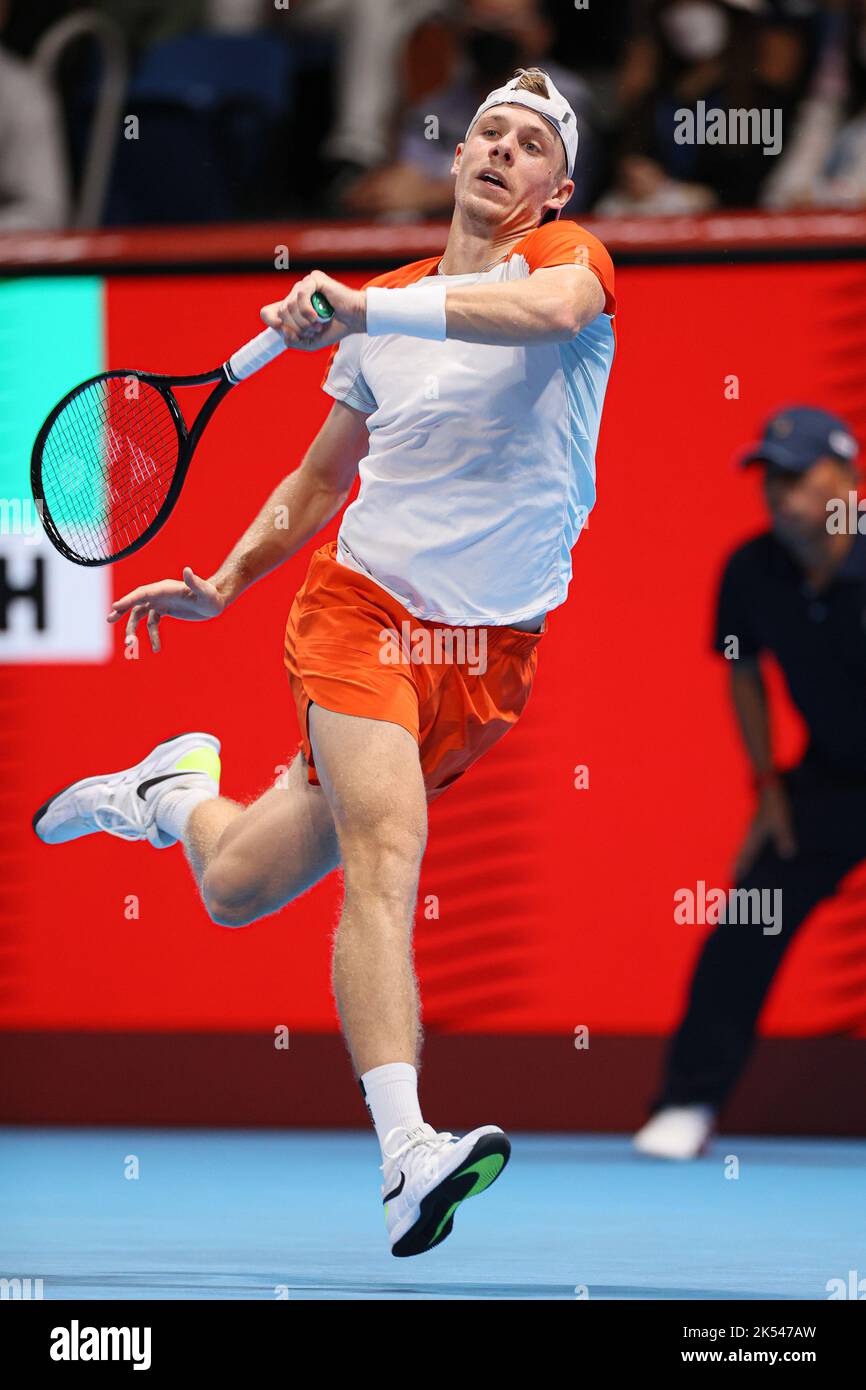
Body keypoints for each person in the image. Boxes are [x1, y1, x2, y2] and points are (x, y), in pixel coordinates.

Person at [33, 67, 617, 1254]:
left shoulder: (569, 267)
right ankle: (408, 1153)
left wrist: (358, 310)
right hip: (359, 614)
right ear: (455, 162)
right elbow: (315, 482)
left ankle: (172, 797)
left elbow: (548, 319)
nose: (500, 152)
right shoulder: (381, 311)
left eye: (528, 144)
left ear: (557, 185)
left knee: (237, 884)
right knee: (386, 852)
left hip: (484, 654)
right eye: (486, 135)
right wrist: (227, 578)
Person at [635, 406, 866, 1160]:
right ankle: (688, 1103)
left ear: (850, 480)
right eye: (770, 477)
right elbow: (744, 671)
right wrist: (768, 786)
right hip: (832, 782)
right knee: (750, 918)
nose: (778, 492)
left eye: (796, 476)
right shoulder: (751, 571)